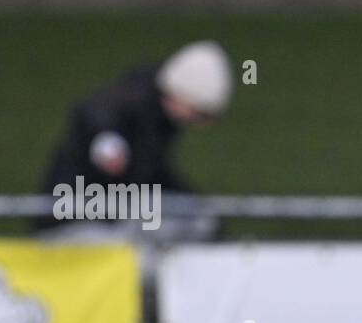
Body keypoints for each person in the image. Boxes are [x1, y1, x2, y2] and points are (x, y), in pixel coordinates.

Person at [37, 39, 233, 238]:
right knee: (144, 240)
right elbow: (95, 115)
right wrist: (107, 142)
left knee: (194, 222)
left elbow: (157, 175)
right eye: (198, 114)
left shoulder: (157, 124)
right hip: (72, 224)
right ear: (182, 97)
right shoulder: (131, 108)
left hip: (107, 215)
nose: (195, 122)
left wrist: (195, 205)